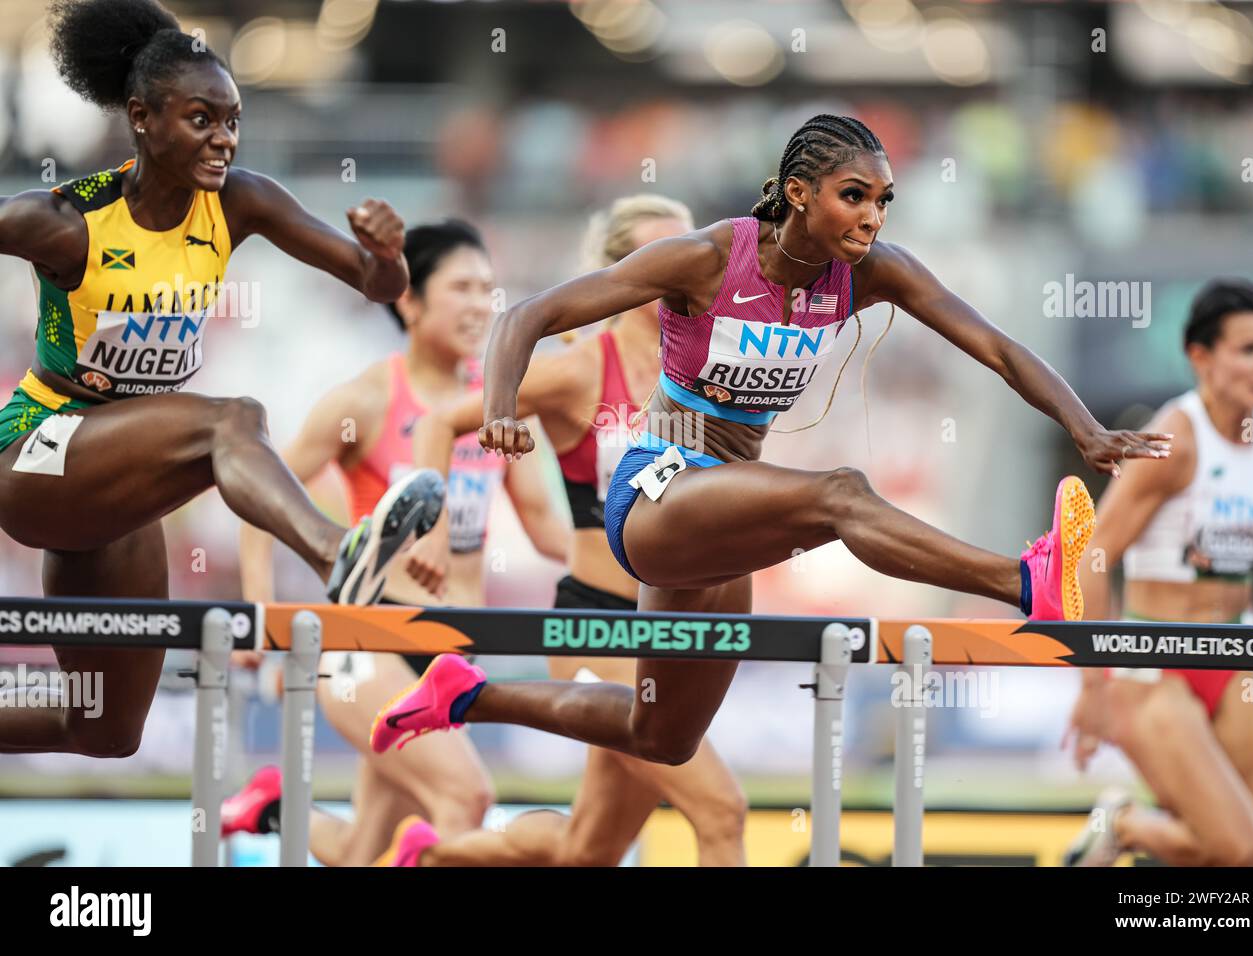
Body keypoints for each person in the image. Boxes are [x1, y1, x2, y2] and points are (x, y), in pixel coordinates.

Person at [375, 114, 1172, 865]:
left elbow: (995, 347)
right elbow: (529, 317)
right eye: (854, 196)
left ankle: (465, 695)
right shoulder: (711, 258)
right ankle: (1023, 581)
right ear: (798, 193)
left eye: (883, 201)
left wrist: (1085, 428)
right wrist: (502, 409)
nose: (873, 218)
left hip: (724, 512)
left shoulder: (870, 274)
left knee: (661, 736)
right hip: (657, 490)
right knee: (840, 494)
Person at [0, 0, 441, 759]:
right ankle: (339, 555)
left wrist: (389, 254)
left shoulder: (239, 202)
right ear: (142, 118)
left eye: (232, 120)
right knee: (233, 418)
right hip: (39, 458)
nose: (224, 139)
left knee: (105, 727)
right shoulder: (67, 220)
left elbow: (377, 285)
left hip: (121, 485)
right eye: (202, 119)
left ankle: (340, 555)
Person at [386, 196, 748, 866]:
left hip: (675, 625)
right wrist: (431, 533)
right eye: (662, 254)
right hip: (599, 625)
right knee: (721, 811)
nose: (686, 267)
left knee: (590, 852)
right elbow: (438, 423)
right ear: (626, 271)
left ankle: (436, 857)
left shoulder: (704, 369)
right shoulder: (583, 366)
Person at [222, 221, 570, 865]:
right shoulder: (365, 401)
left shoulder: (498, 405)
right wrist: (255, 617)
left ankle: (271, 809)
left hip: (450, 661)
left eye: (488, 290)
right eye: (462, 287)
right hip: (367, 648)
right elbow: (256, 497)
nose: (480, 305)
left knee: (364, 849)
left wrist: (644, 561)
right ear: (409, 300)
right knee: (465, 798)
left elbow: (552, 530)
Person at [1063, 278, 1253, 867]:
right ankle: (1128, 824)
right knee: (1239, 852)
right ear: (1200, 356)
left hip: (1234, 658)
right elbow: (1091, 557)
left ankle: (1130, 826)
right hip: (1152, 664)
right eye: (1248, 349)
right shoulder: (1175, 444)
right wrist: (1093, 684)